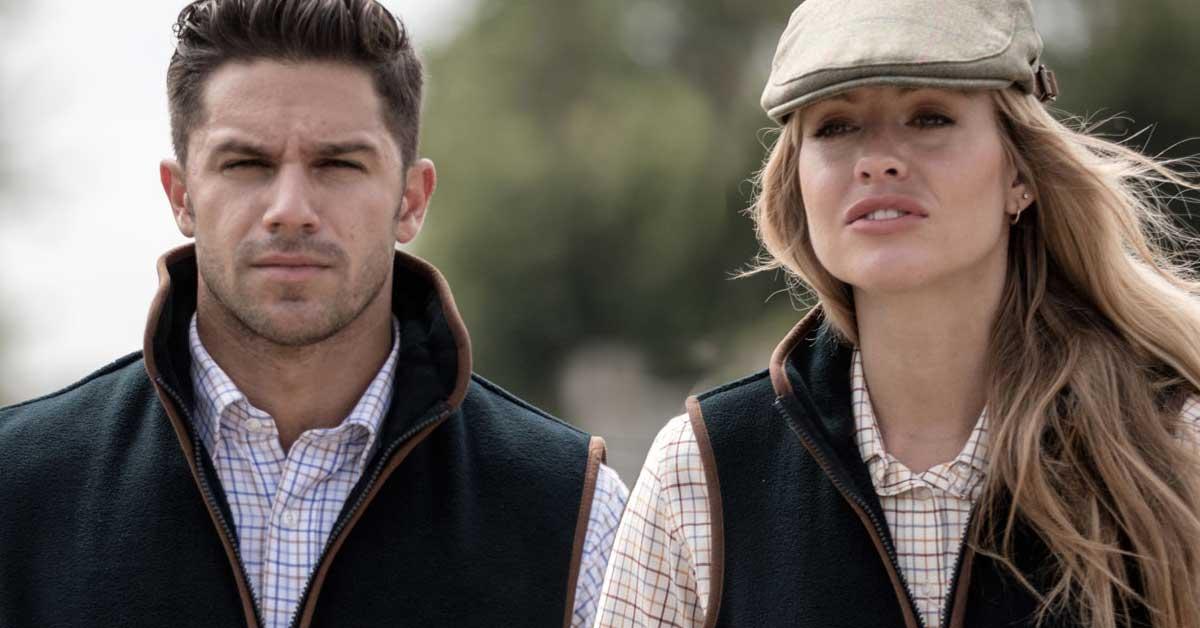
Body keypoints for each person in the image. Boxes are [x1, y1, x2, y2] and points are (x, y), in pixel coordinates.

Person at [0, 1, 628, 627]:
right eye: (247, 164)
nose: (291, 208)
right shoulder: (17, 486)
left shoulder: (573, 510)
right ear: (182, 196)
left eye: (338, 164)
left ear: (411, 199)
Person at [596, 1, 1200, 627]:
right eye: (835, 127)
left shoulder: (1174, 444)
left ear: (1020, 173)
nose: (877, 159)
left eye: (929, 116)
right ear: (798, 185)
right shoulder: (702, 473)